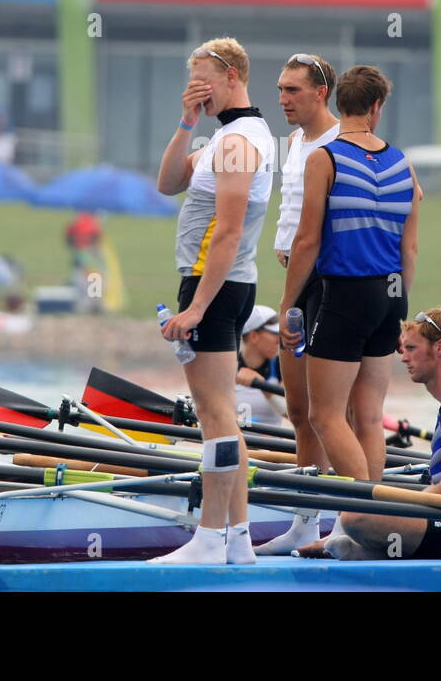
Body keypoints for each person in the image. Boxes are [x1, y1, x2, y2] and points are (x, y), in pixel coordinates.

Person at [154, 37, 274, 565]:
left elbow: (227, 233)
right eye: (191, 81)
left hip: (214, 282)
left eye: (203, 79)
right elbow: (167, 183)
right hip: (220, 283)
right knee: (224, 413)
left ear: (230, 75)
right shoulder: (226, 136)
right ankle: (240, 540)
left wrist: (197, 307)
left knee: (213, 415)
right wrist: (186, 120)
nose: (196, 88)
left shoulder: (238, 142)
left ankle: (208, 537)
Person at [279, 65, 421, 488]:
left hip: (344, 294)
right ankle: (365, 522)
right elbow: (409, 248)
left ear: (339, 102)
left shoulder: (325, 158)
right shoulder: (402, 162)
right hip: (392, 296)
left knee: (323, 415)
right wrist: (398, 304)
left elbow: (306, 241)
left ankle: (363, 513)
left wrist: (288, 305)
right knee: (369, 416)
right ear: (377, 107)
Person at [323, 307, 441, 560]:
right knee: (364, 507)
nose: (403, 357)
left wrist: (389, 504)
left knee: (356, 516)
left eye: (412, 348)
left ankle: (372, 553)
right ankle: (371, 553)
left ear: (439, 348)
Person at [258, 53, 340, 553]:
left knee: (337, 411)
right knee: (298, 408)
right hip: (295, 279)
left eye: (293, 91)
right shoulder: (293, 140)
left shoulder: (341, 142)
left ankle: (353, 520)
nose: (283, 99)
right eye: (281, 89)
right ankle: (306, 522)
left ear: (321, 92)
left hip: (328, 285)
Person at [235, 306, 287, 428]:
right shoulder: (227, 367)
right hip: (237, 442)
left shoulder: (282, 368)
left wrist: (265, 388)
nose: (280, 340)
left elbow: (294, 415)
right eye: (275, 333)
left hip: (270, 445)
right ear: (254, 336)